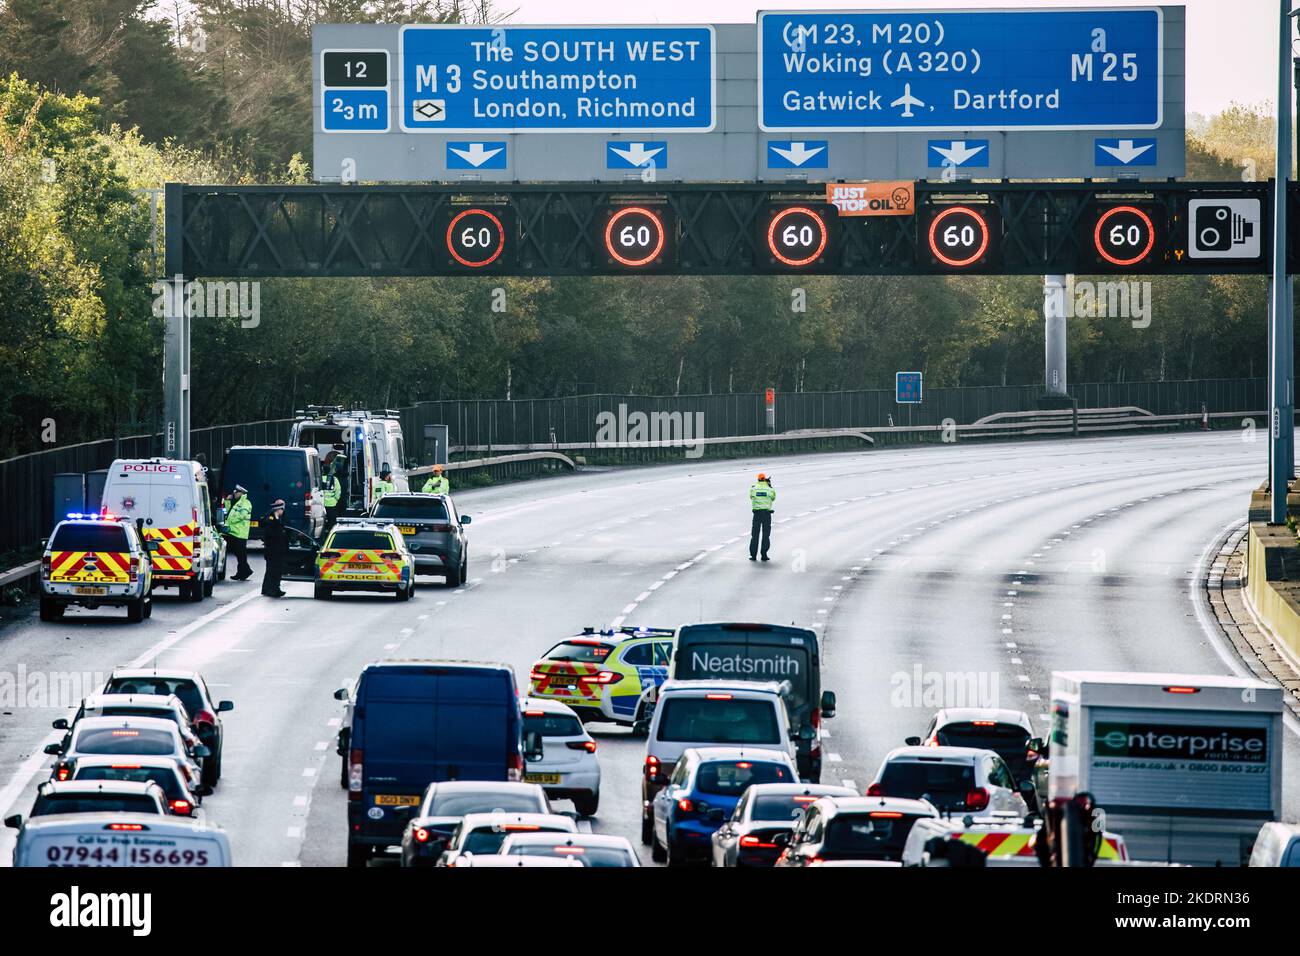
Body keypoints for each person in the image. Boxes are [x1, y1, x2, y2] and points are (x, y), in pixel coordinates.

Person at [221, 484, 254, 581]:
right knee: (239, 554)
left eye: (236, 492)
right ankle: (244, 571)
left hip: (240, 533)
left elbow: (240, 516)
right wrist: (227, 501)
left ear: (241, 493)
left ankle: (243, 572)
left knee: (241, 555)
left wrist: (228, 524)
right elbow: (228, 512)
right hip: (233, 532)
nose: (234, 494)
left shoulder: (246, 503)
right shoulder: (236, 502)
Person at [260, 499, 288, 597]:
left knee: (274, 570)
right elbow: (270, 533)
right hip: (272, 549)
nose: (283, 512)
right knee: (273, 570)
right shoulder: (270, 518)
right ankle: (271, 589)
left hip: (279, 549)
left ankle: (273, 588)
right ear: (279, 509)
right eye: (282, 510)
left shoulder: (280, 517)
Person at [748, 472, 776, 562]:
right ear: (765, 479)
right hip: (767, 514)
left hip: (757, 514)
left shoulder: (753, 489)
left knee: (755, 535)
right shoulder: (770, 489)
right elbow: (773, 498)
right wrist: (769, 486)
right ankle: (764, 555)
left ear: (758, 479)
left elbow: (751, 497)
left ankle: (753, 555)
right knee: (765, 535)